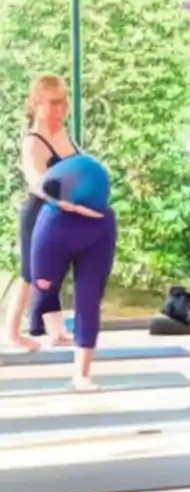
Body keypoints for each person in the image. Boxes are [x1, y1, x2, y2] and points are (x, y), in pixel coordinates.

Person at [30, 153, 115, 391]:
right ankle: (53, 332)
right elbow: (38, 185)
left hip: (98, 227)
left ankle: (82, 375)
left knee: (89, 300)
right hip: (57, 226)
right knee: (43, 287)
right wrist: (61, 203)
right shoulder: (51, 210)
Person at [5, 75, 77, 351]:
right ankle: (12, 332)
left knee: (53, 271)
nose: (60, 109)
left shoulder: (60, 134)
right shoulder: (33, 142)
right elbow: (36, 181)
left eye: (64, 102)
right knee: (29, 275)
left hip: (61, 213)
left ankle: (56, 331)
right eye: (53, 103)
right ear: (36, 103)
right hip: (39, 214)